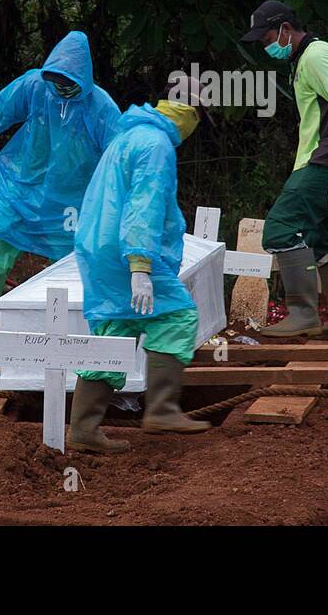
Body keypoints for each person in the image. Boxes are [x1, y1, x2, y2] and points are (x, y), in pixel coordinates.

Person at [0, 31, 121, 346]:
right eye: (56, 78)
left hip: (71, 202)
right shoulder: (34, 86)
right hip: (19, 186)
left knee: (75, 266)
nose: (61, 86)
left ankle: (77, 333)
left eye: (69, 80)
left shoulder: (100, 108)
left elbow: (120, 155)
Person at [66, 79, 208, 453]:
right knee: (177, 316)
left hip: (99, 247)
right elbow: (143, 207)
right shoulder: (157, 145)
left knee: (117, 326)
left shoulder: (130, 135)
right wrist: (140, 266)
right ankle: (162, 409)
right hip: (126, 250)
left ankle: (82, 428)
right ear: (192, 114)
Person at [240, 0, 328, 339]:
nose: (265, 45)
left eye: (268, 37)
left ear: (286, 29)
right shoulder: (303, 59)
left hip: (327, 164)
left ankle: (302, 313)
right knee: (318, 238)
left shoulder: (317, 56)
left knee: (281, 228)